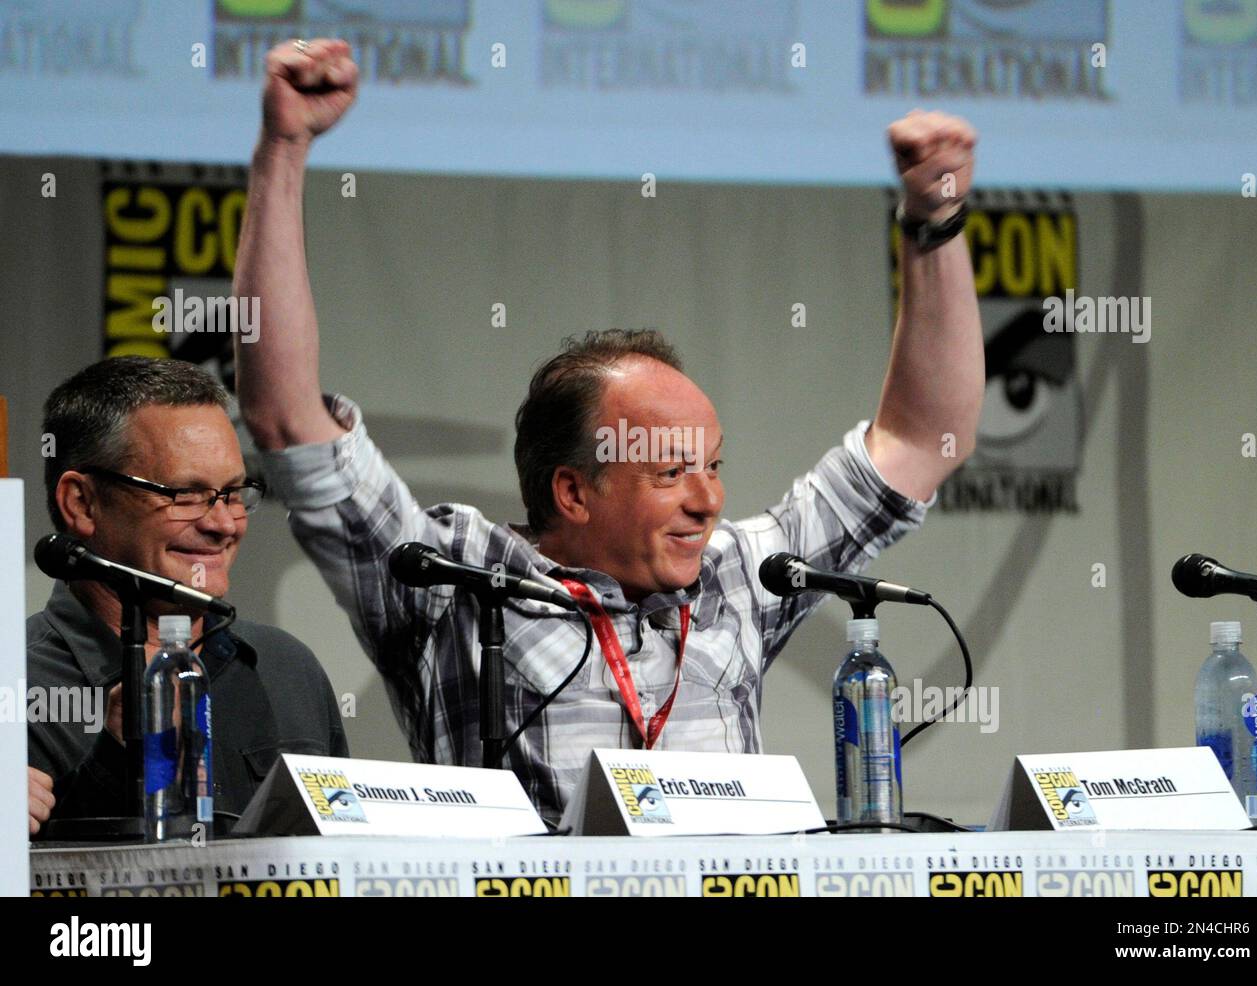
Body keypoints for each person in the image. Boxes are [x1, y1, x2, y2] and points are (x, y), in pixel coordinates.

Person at [234, 39, 984, 824]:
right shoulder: (452, 581)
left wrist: (934, 223)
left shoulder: (741, 577)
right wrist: (284, 149)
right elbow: (288, 420)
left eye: (713, 466)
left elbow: (923, 437)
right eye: (669, 473)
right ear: (573, 491)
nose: (709, 500)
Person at [27, 356, 349, 837]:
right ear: (82, 503)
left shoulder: (287, 668)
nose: (223, 524)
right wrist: (113, 755)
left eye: (234, 492)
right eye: (184, 494)